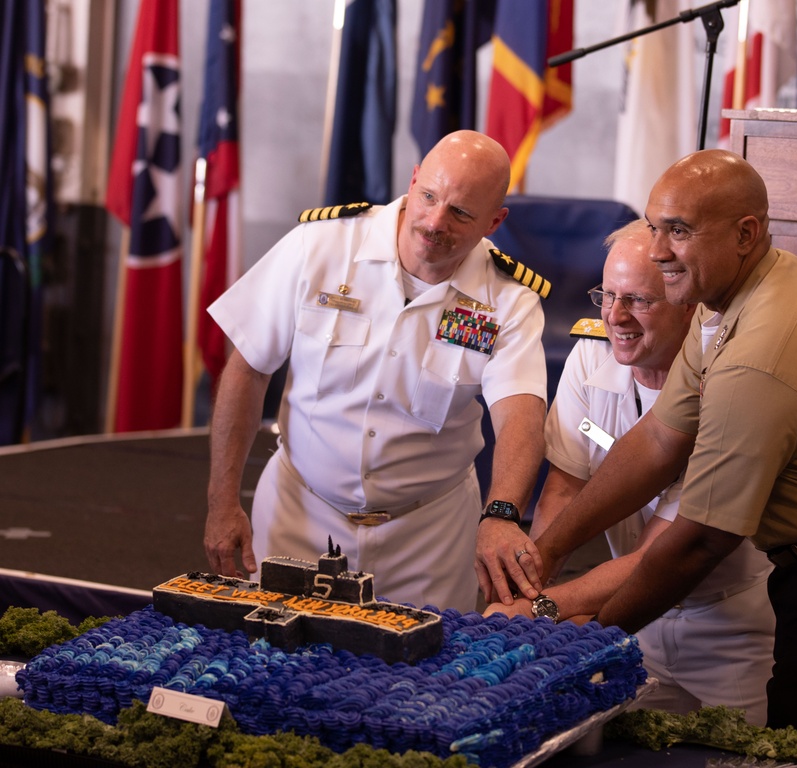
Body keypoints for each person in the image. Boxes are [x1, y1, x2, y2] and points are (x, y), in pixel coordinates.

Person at [476, 149, 797, 750]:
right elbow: (658, 440)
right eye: (655, 227)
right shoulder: (728, 301)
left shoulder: (758, 351)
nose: (658, 250)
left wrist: (570, 635)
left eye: (678, 231)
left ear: (745, 234)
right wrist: (544, 555)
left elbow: (700, 541)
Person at [204, 130, 548, 613]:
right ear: (413, 179)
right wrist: (222, 502)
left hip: (429, 534)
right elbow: (248, 369)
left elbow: (520, 418)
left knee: (421, 684)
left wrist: (503, 513)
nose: (433, 221)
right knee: (272, 672)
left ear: (495, 221)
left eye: (461, 213)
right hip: (298, 515)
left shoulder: (509, 299)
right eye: (428, 196)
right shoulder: (320, 246)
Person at [485, 220, 775, 723]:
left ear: (689, 303)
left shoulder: (727, 386)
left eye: (639, 300)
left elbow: (663, 553)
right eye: (607, 294)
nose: (615, 317)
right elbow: (565, 487)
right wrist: (530, 584)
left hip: (726, 628)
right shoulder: (591, 354)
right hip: (627, 617)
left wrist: (545, 608)